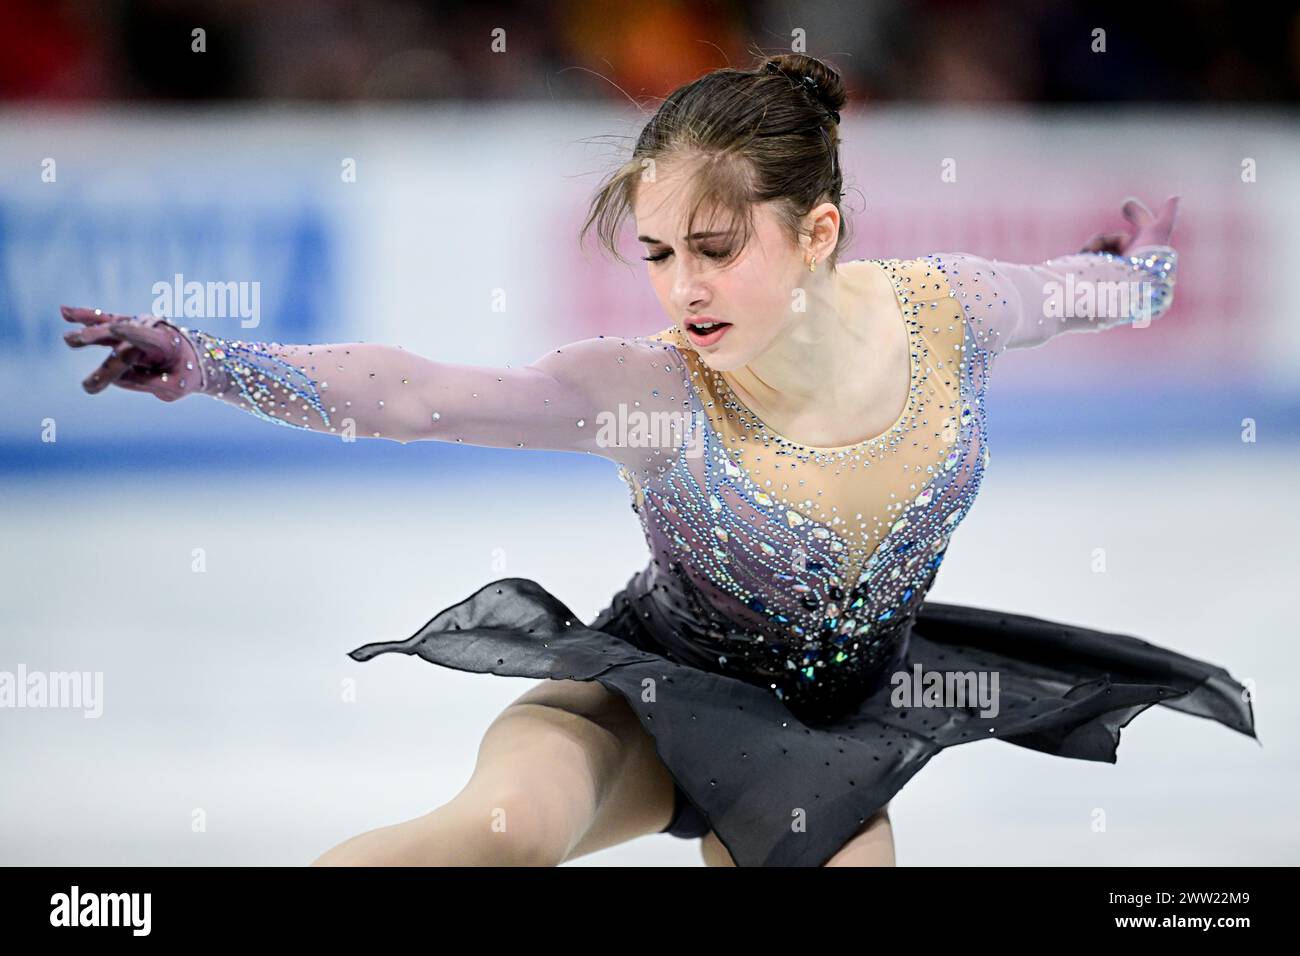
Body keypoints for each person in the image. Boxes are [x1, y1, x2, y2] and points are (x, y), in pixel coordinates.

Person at [62, 53, 1255, 868]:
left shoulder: (949, 316)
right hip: (645, 695)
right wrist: (215, 362)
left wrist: (1137, 276)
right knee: (500, 827)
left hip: (828, 741)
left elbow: (1064, 291)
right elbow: (424, 396)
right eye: (658, 252)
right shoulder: (648, 395)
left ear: (817, 230)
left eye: (717, 249)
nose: (683, 288)